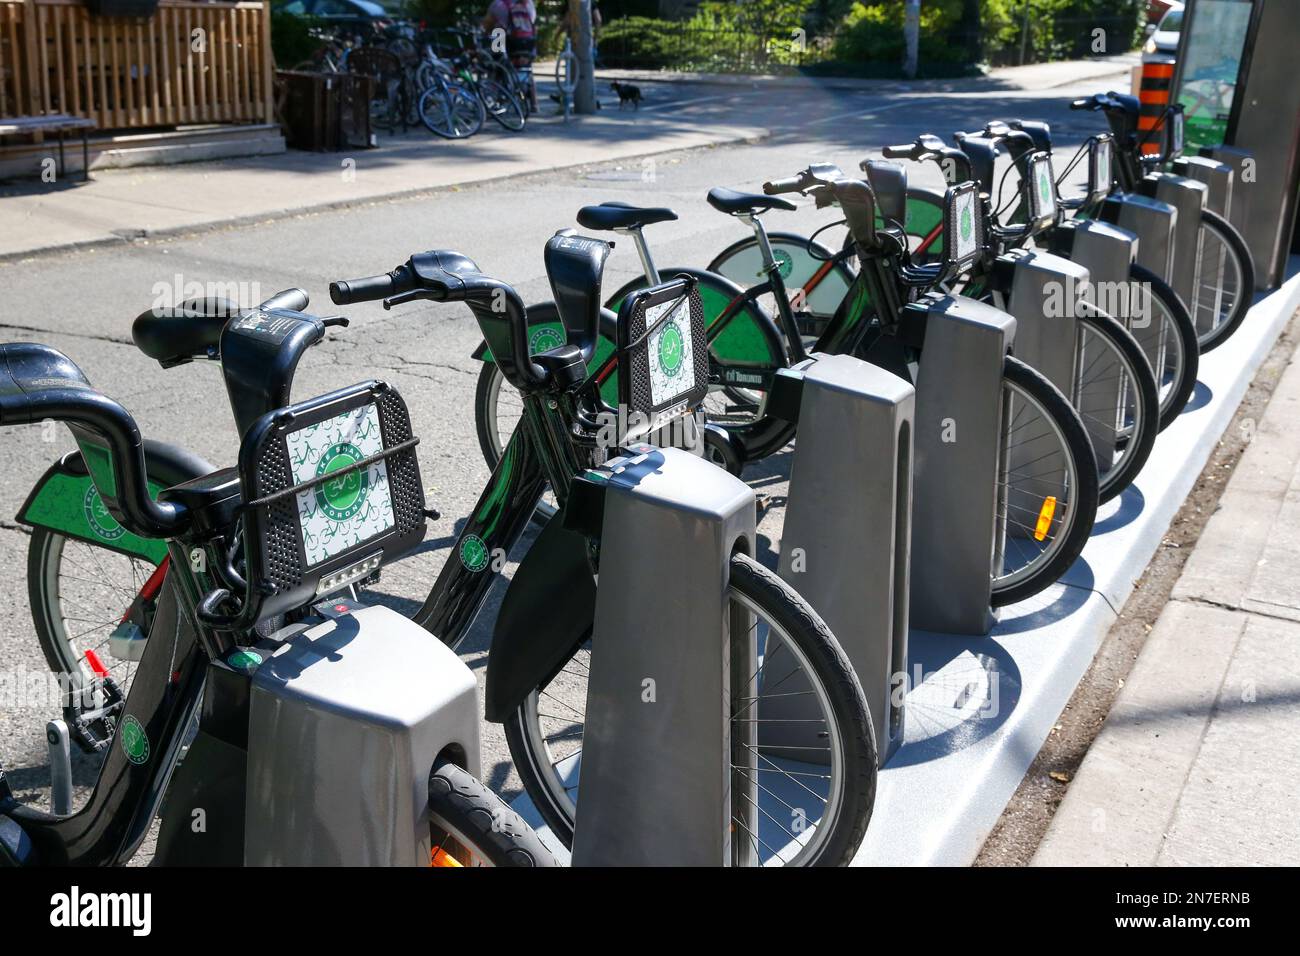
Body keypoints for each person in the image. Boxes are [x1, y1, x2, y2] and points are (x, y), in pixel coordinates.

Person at [483, 0, 538, 109]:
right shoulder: (528, 4)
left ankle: (493, 99)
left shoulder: (498, 4)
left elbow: (487, 24)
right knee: (528, 71)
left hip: (507, 45)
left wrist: (487, 32)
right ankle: (534, 103)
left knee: (495, 66)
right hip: (527, 45)